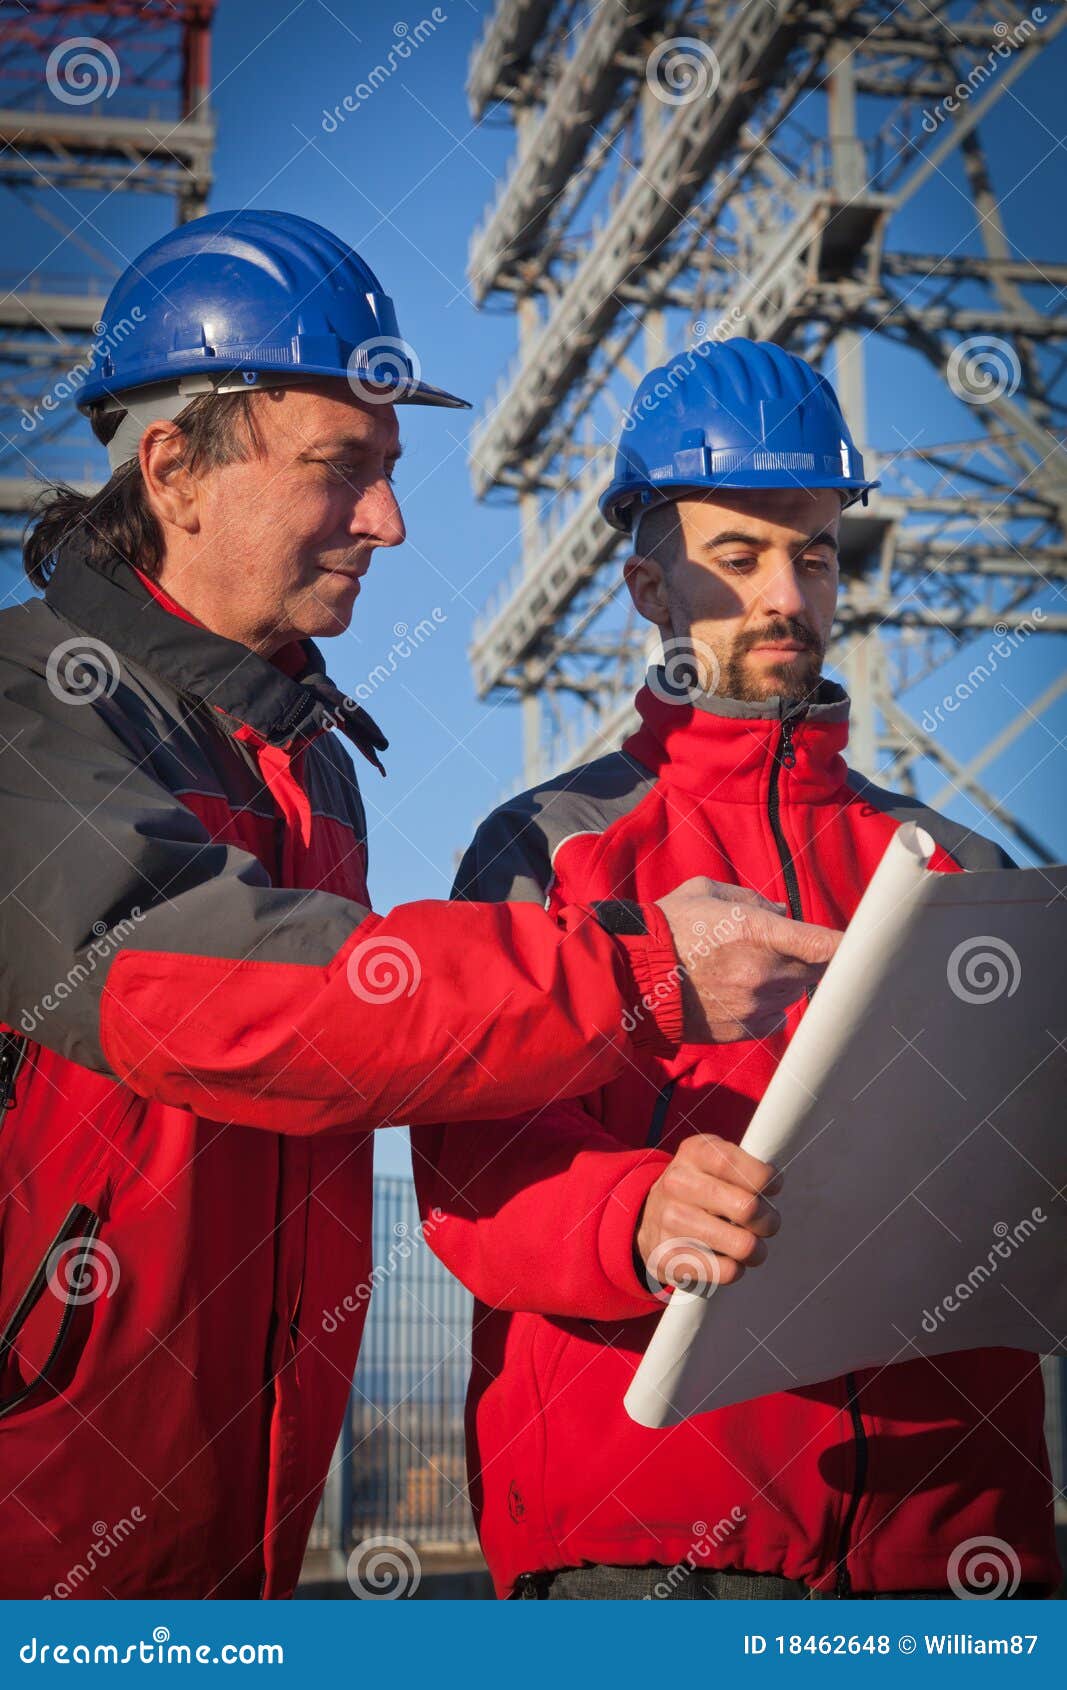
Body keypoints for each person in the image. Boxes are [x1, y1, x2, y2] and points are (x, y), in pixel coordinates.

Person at [0, 217, 843, 1600]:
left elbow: (376, 1043)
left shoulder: (306, 756)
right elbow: (218, 990)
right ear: (174, 470)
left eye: (388, 474)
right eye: (343, 471)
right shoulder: (27, 710)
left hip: (240, 1528)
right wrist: (636, 981)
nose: (388, 521)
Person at [413, 338, 1060, 1601]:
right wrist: (632, 1213)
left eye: (810, 553)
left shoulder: (946, 862)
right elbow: (466, 1164)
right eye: (736, 555)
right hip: (655, 1544)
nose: (783, 593)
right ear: (647, 589)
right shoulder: (551, 846)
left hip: (952, 1537)